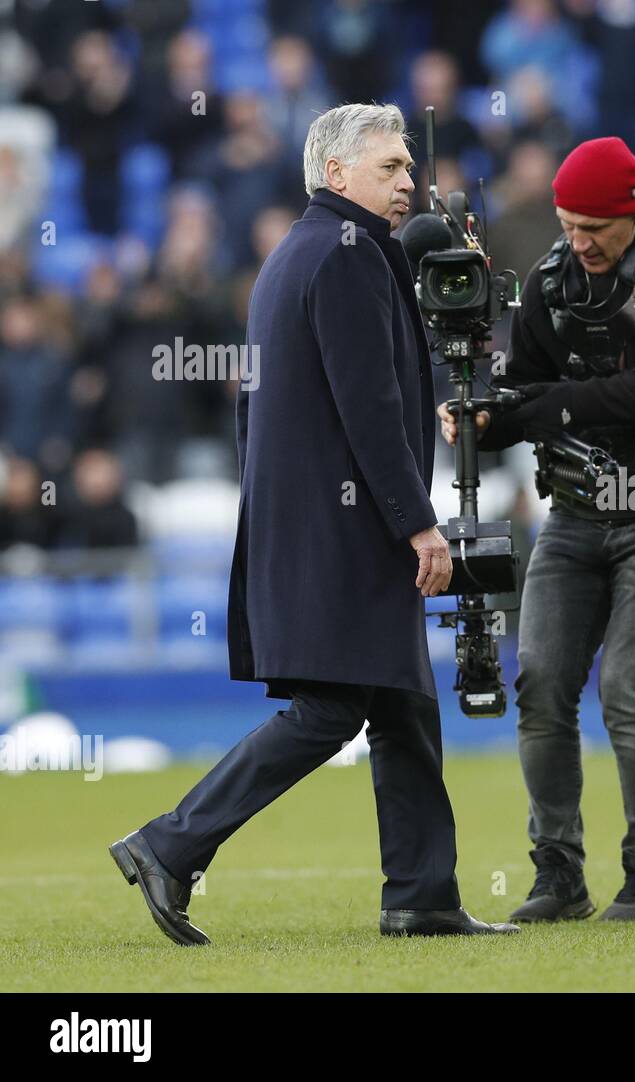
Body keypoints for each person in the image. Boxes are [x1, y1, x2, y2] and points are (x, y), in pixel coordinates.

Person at [109, 103, 518, 944]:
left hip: (317, 527)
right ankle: (169, 844)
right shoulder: (347, 257)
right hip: (346, 534)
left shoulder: (300, 253)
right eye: (391, 168)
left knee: (403, 704)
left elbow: (254, 418)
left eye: (408, 167)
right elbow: (368, 409)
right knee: (330, 711)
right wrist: (418, 524)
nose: (409, 183)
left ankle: (423, 896)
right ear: (338, 175)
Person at [438, 136, 635, 922]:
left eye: (593, 229)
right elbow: (528, 391)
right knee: (540, 686)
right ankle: (558, 877)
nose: (578, 243)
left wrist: (557, 406)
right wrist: (483, 415)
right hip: (576, 512)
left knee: (628, 688)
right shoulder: (549, 281)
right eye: (569, 225)